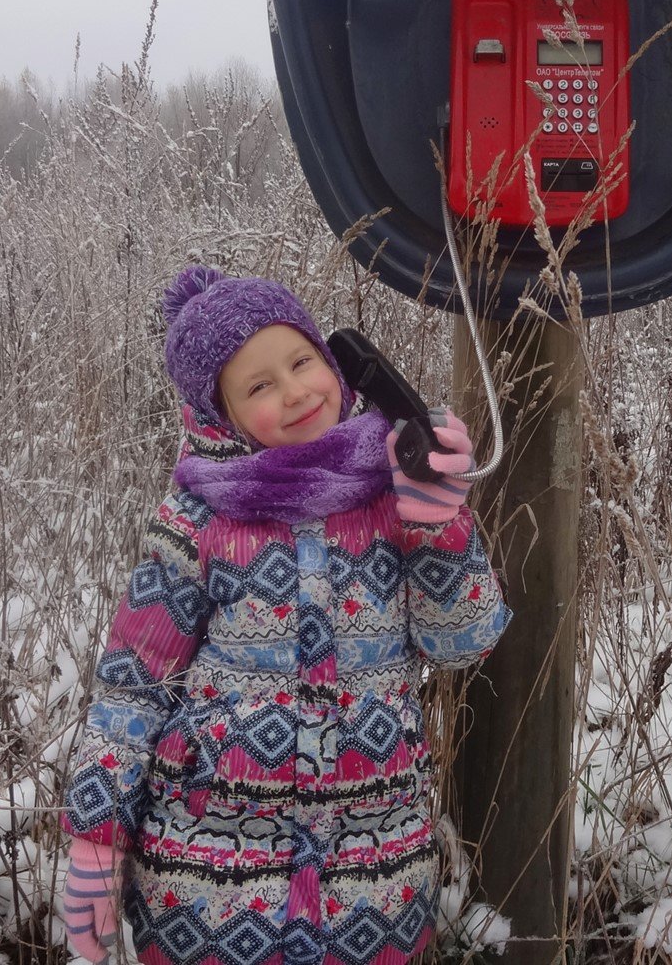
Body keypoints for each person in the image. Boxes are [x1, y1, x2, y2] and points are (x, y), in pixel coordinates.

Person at [57, 265, 511, 965]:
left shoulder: (397, 489)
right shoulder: (195, 520)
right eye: (259, 386)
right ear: (222, 416)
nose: (296, 392)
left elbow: (462, 643)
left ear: (333, 360)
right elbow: (131, 690)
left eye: (301, 361)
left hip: (376, 877)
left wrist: (439, 526)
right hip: (203, 881)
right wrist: (94, 837)